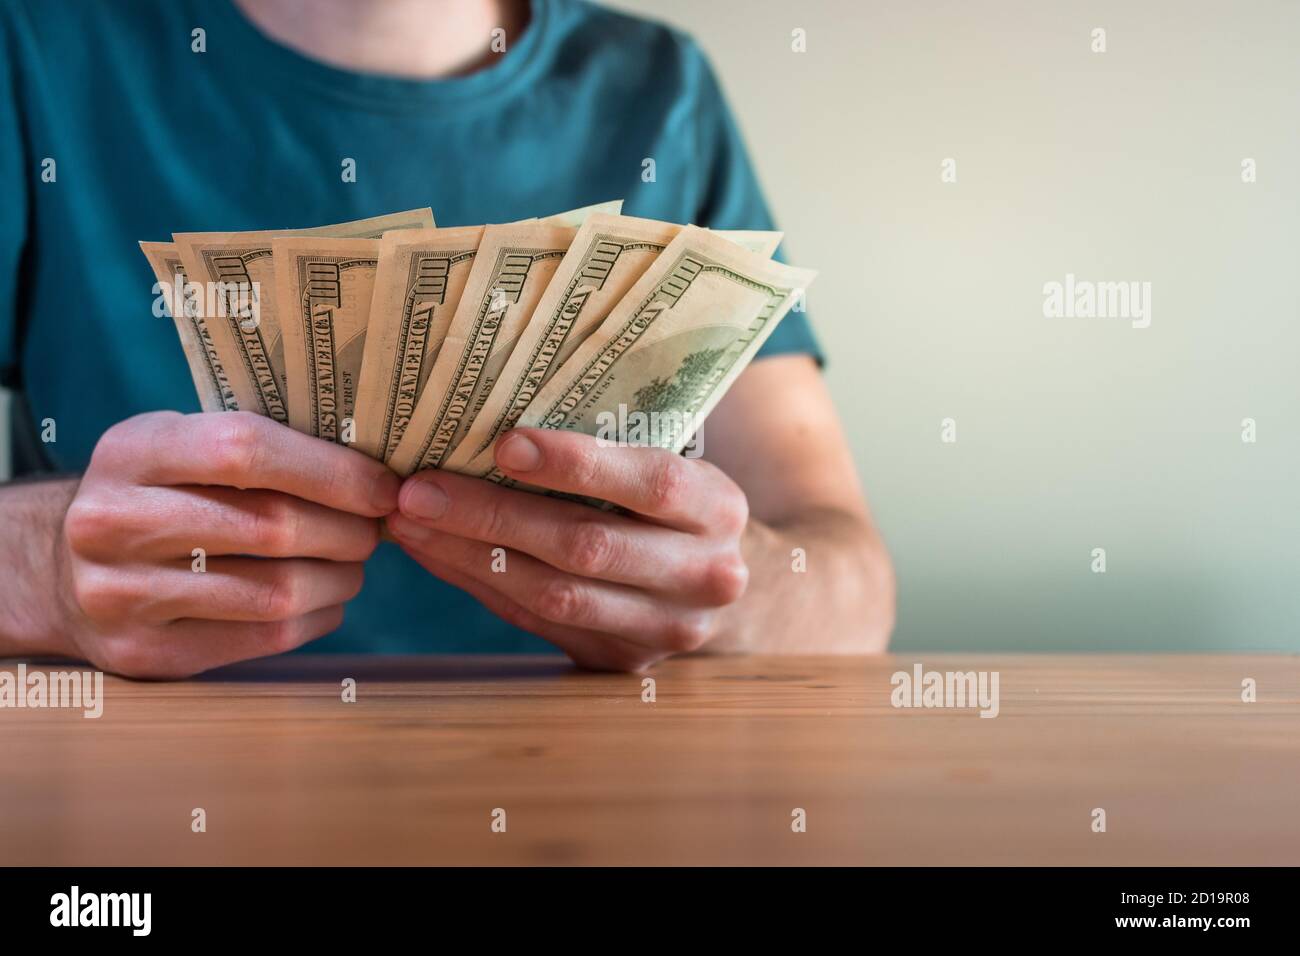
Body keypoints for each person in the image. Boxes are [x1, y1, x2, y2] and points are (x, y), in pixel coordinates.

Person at [0, 0, 894, 677]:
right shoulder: (33, 45)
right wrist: (44, 568)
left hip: (581, 789)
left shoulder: (661, 87)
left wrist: (729, 597)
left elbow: (853, 585)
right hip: (145, 792)